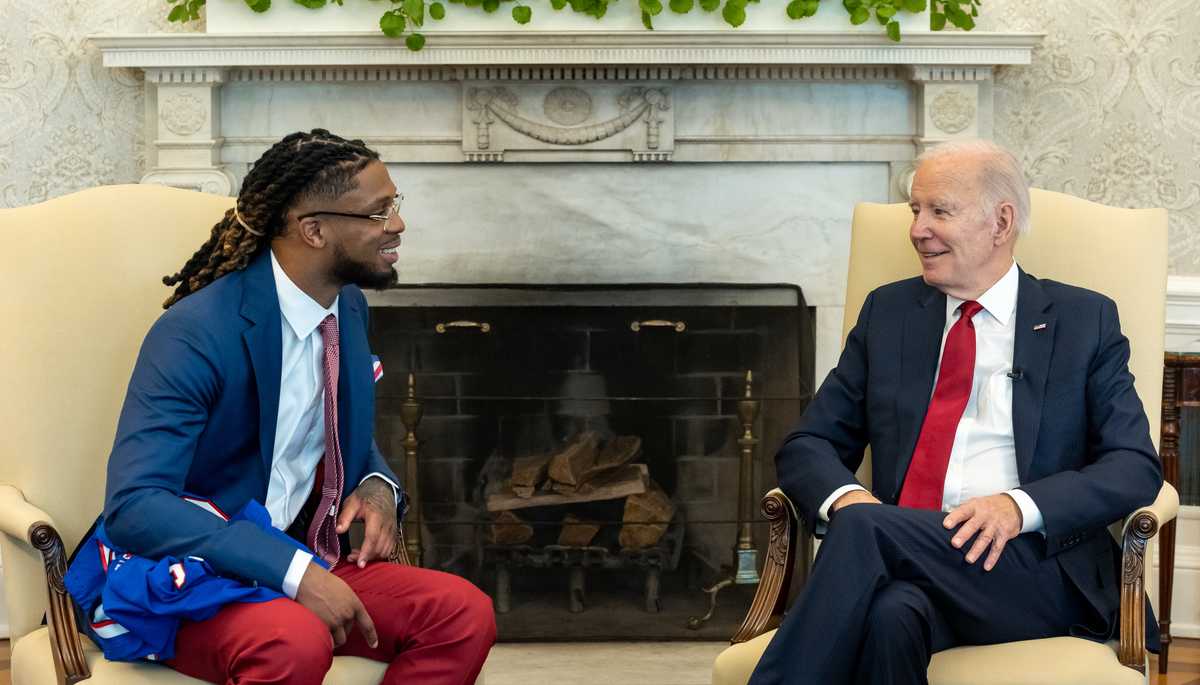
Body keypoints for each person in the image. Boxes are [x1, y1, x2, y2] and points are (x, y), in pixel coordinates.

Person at [748, 139, 1162, 685]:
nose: (918, 228)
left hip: (1031, 567)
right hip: (905, 553)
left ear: (1001, 222)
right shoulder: (889, 313)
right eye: (916, 210)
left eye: (940, 211)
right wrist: (850, 499)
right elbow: (807, 445)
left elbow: (1134, 465)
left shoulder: (1083, 320)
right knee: (890, 615)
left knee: (866, 532)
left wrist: (1020, 507)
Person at [93, 129, 496, 684]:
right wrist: (291, 570)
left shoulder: (346, 307)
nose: (397, 225)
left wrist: (378, 483)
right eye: (379, 212)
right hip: (196, 572)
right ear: (314, 230)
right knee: (293, 642)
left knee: (459, 613)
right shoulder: (194, 334)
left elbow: (333, 434)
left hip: (302, 558)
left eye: (394, 206)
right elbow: (136, 506)